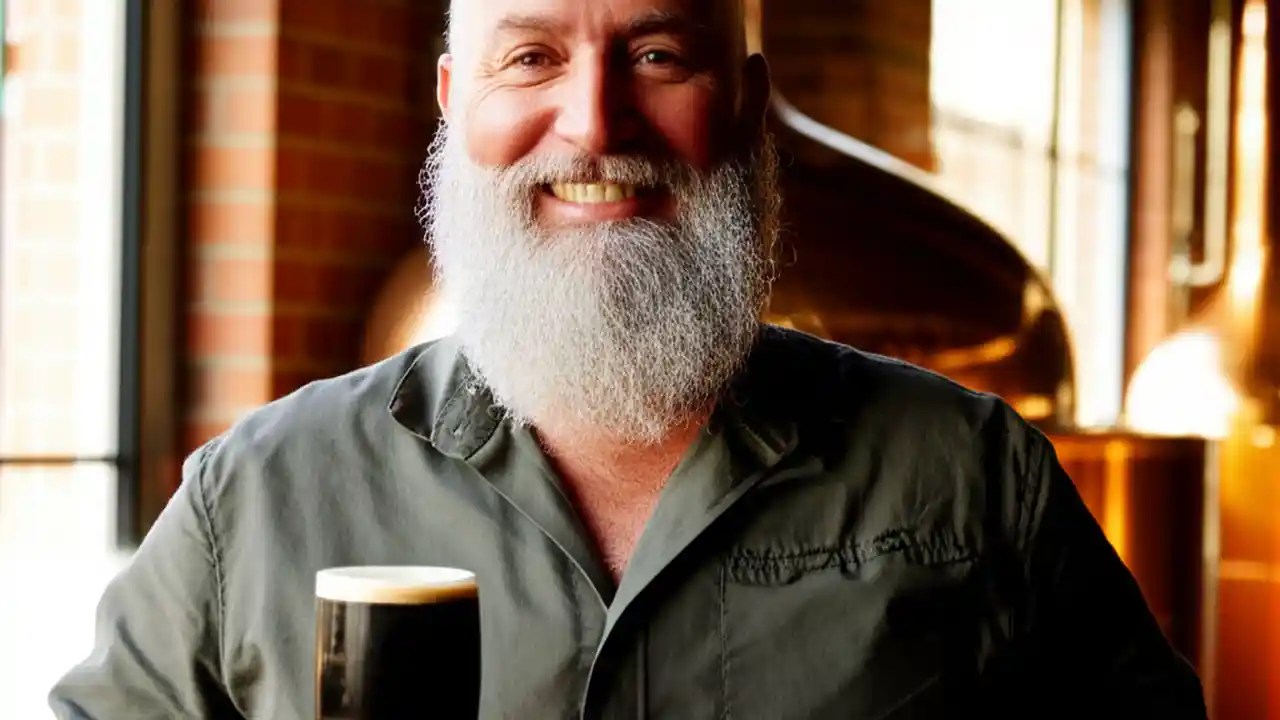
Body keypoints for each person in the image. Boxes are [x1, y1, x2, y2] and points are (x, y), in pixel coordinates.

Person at [51, 0, 1206, 717]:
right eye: (531, 57)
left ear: (748, 104)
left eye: (657, 53)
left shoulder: (971, 476)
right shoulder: (254, 497)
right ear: (456, 105)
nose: (596, 123)